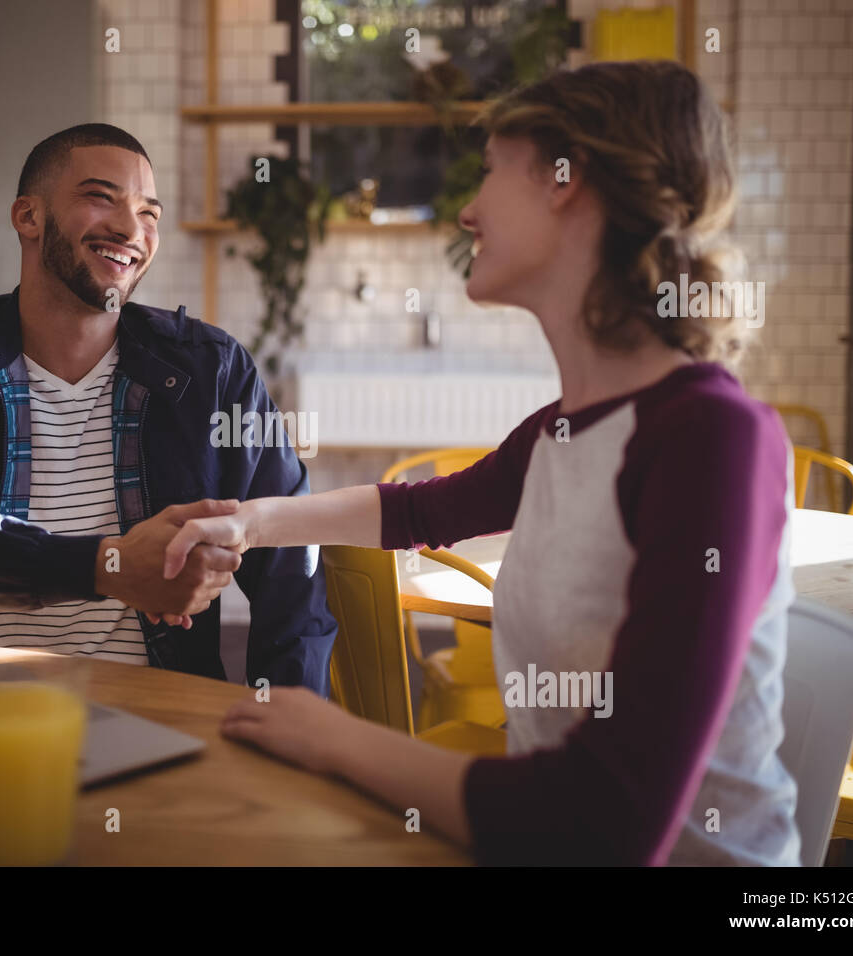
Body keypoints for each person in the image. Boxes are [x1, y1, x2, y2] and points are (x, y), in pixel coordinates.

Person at [162, 61, 801, 865]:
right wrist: (252, 520)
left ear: (569, 180)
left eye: (492, 171)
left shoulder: (710, 436)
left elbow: (608, 822)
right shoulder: (560, 433)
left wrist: (337, 738)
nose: (467, 211)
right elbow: (418, 513)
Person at [0, 123, 337, 693]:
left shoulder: (213, 371)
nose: (131, 228)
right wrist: (109, 566)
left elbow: (291, 561)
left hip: (162, 712)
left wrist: (287, 716)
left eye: (150, 213)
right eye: (101, 197)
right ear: (28, 217)